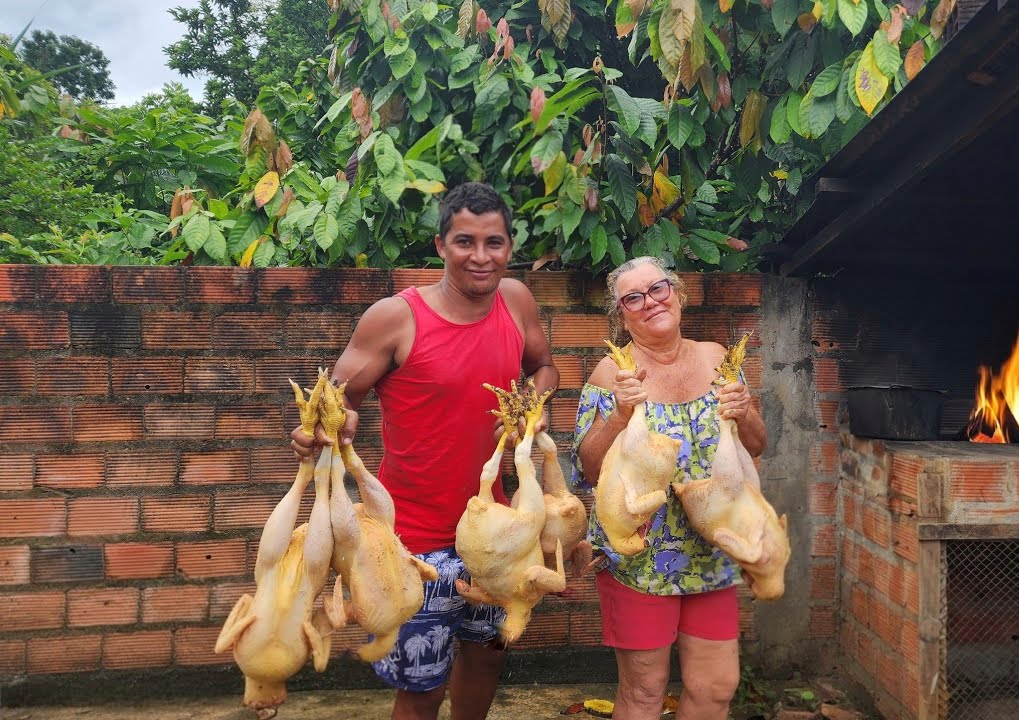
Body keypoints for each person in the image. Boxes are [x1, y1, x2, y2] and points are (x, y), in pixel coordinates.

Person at [290, 182, 558, 720]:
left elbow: (542, 366)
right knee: (421, 690)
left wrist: (536, 402)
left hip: (494, 536)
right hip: (412, 545)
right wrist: (322, 431)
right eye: (465, 242)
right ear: (440, 246)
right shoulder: (395, 317)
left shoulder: (516, 300)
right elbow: (337, 403)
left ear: (510, 246)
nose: (480, 257)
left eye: (494, 243)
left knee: (486, 658)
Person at [570, 256, 767, 720]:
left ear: (678, 293)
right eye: (632, 298)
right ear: (621, 315)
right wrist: (619, 414)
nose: (649, 302)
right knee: (644, 692)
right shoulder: (611, 373)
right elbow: (591, 470)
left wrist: (745, 412)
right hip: (639, 554)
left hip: (712, 548)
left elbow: (756, 445)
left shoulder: (718, 358)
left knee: (717, 687)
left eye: (658, 289)